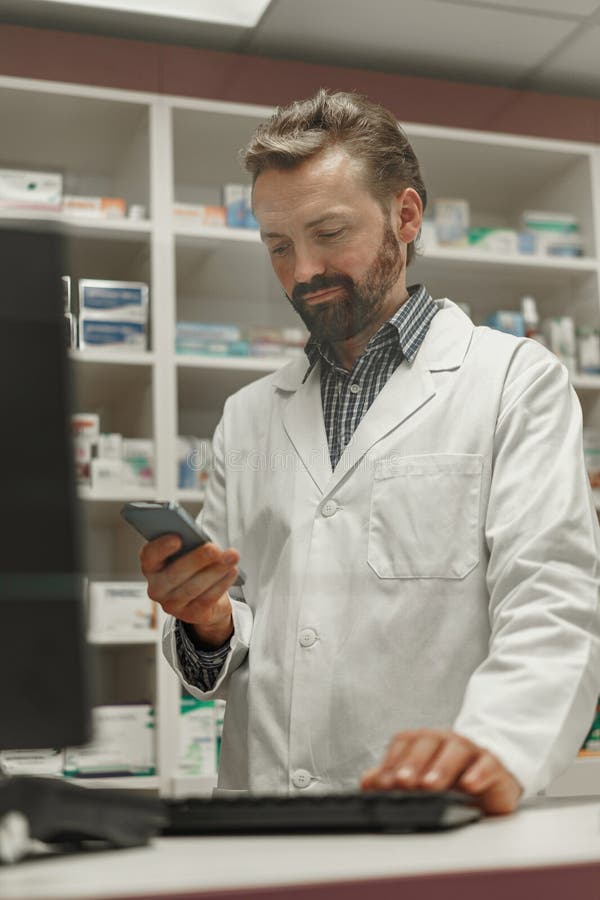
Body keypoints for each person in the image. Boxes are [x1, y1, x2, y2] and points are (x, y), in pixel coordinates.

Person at [142, 90, 600, 814]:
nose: (301, 272)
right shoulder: (248, 417)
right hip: (264, 820)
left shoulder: (512, 380)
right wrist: (205, 622)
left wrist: (497, 749)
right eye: (279, 246)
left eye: (329, 232)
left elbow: (554, 605)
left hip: (434, 818)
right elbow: (226, 650)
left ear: (405, 217)